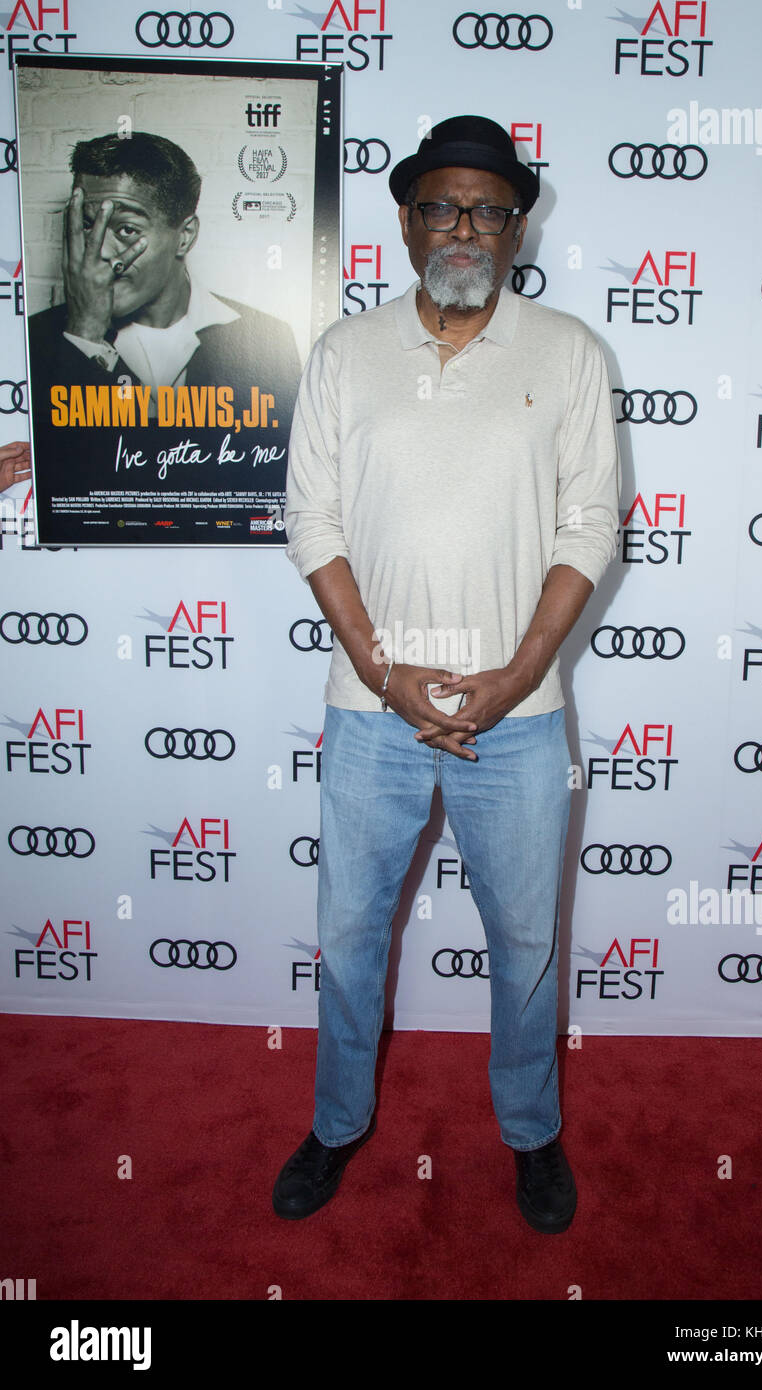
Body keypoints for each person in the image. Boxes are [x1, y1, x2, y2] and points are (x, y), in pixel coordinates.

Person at [276, 115, 620, 1234]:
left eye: (486, 210)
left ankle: (531, 1130)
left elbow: (588, 529)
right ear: (407, 220)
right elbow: (313, 522)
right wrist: (385, 675)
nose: (463, 227)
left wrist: (517, 676)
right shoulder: (345, 353)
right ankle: (337, 1124)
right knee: (347, 939)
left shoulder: (569, 353)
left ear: (518, 229)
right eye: (441, 206)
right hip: (369, 711)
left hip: (518, 718)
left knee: (525, 943)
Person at [26, 132, 300, 426]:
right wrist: (86, 335)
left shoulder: (268, 341)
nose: (100, 251)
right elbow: (58, 452)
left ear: (184, 237)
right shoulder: (36, 341)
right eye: (86, 225)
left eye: (126, 230)